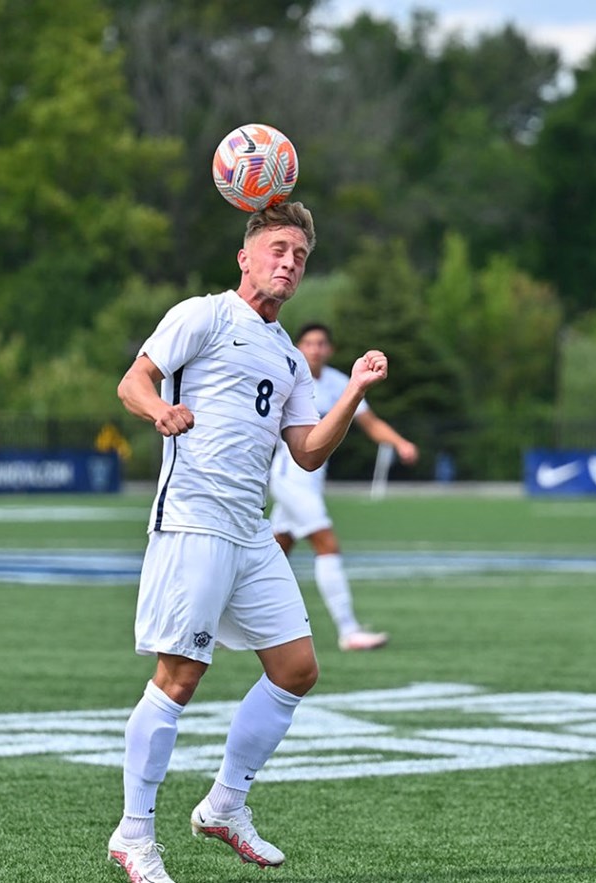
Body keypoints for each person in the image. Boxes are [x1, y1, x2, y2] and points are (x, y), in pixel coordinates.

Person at [108, 203, 390, 883]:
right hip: (195, 520)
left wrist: (351, 389)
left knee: (296, 668)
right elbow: (132, 381)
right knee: (179, 678)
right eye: (278, 248)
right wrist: (160, 410)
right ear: (245, 255)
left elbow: (309, 451)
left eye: (300, 255)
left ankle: (225, 804)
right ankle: (134, 833)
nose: (289, 262)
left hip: (249, 529)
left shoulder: (289, 355)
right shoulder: (202, 315)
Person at [268, 322, 420, 651]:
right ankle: (348, 630)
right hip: (289, 477)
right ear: (298, 346)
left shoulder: (339, 382)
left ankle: (223, 624)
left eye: (321, 343)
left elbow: (370, 423)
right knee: (327, 544)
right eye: (308, 342)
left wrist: (400, 442)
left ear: (330, 349)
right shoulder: (286, 375)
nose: (315, 349)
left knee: (272, 553)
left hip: (312, 479)